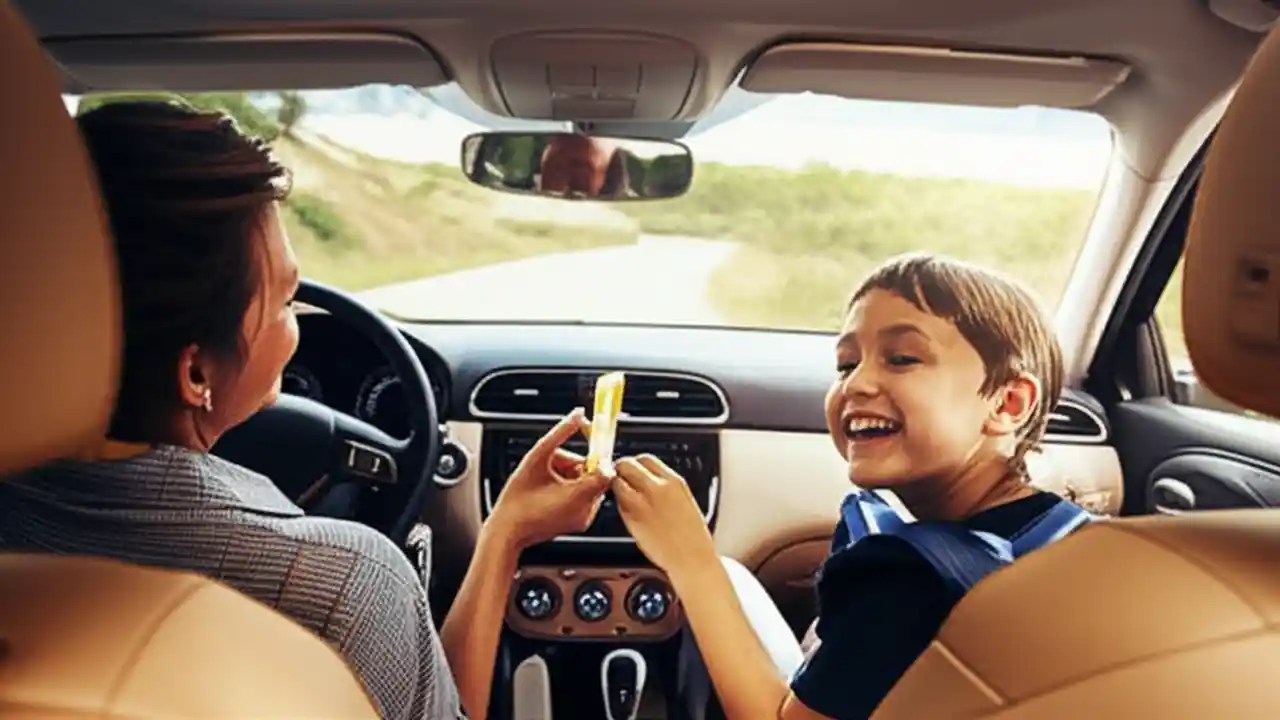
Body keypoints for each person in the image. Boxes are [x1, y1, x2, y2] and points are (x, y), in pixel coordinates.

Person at [0, 101, 611, 720]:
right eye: (287, 300)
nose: (296, 327)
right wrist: (504, 535)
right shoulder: (342, 587)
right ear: (195, 372)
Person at [611, 253, 1091, 719]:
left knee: (727, 581)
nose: (856, 384)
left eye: (901, 358)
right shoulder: (1082, 541)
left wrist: (692, 563)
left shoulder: (909, 582)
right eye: (846, 365)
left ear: (1008, 403)